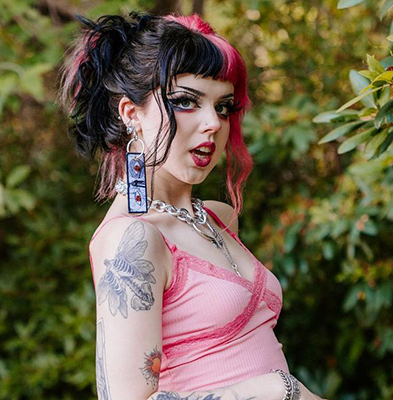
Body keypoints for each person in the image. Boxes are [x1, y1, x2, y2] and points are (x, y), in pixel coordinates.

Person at [59, 10, 329, 400]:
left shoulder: (218, 217)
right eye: (186, 101)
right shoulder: (132, 239)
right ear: (132, 114)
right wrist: (271, 389)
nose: (214, 124)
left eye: (223, 107)